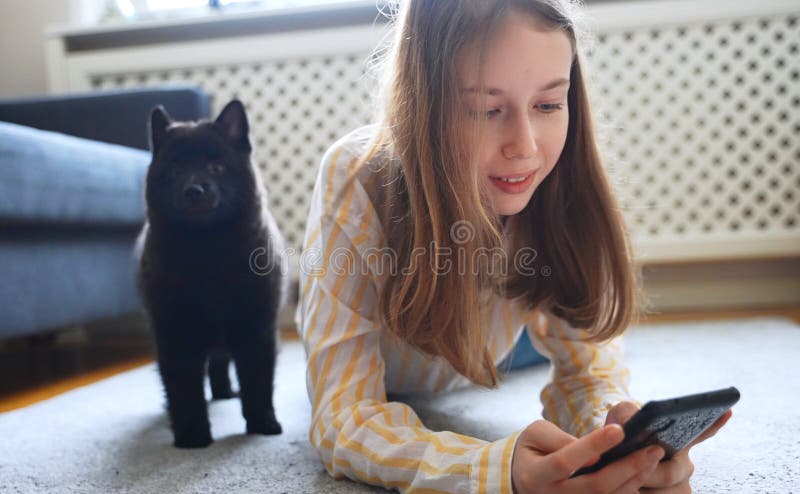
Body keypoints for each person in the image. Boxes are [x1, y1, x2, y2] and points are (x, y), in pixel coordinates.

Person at [295, 1, 731, 492]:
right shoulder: (357, 176)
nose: (524, 146)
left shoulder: (559, 185)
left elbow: (588, 376)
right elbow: (343, 418)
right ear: (423, 107)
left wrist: (614, 439)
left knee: (552, 332)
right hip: (408, 337)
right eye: (487, 110)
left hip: (507, 340)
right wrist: (494, 470)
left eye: (548, 105)